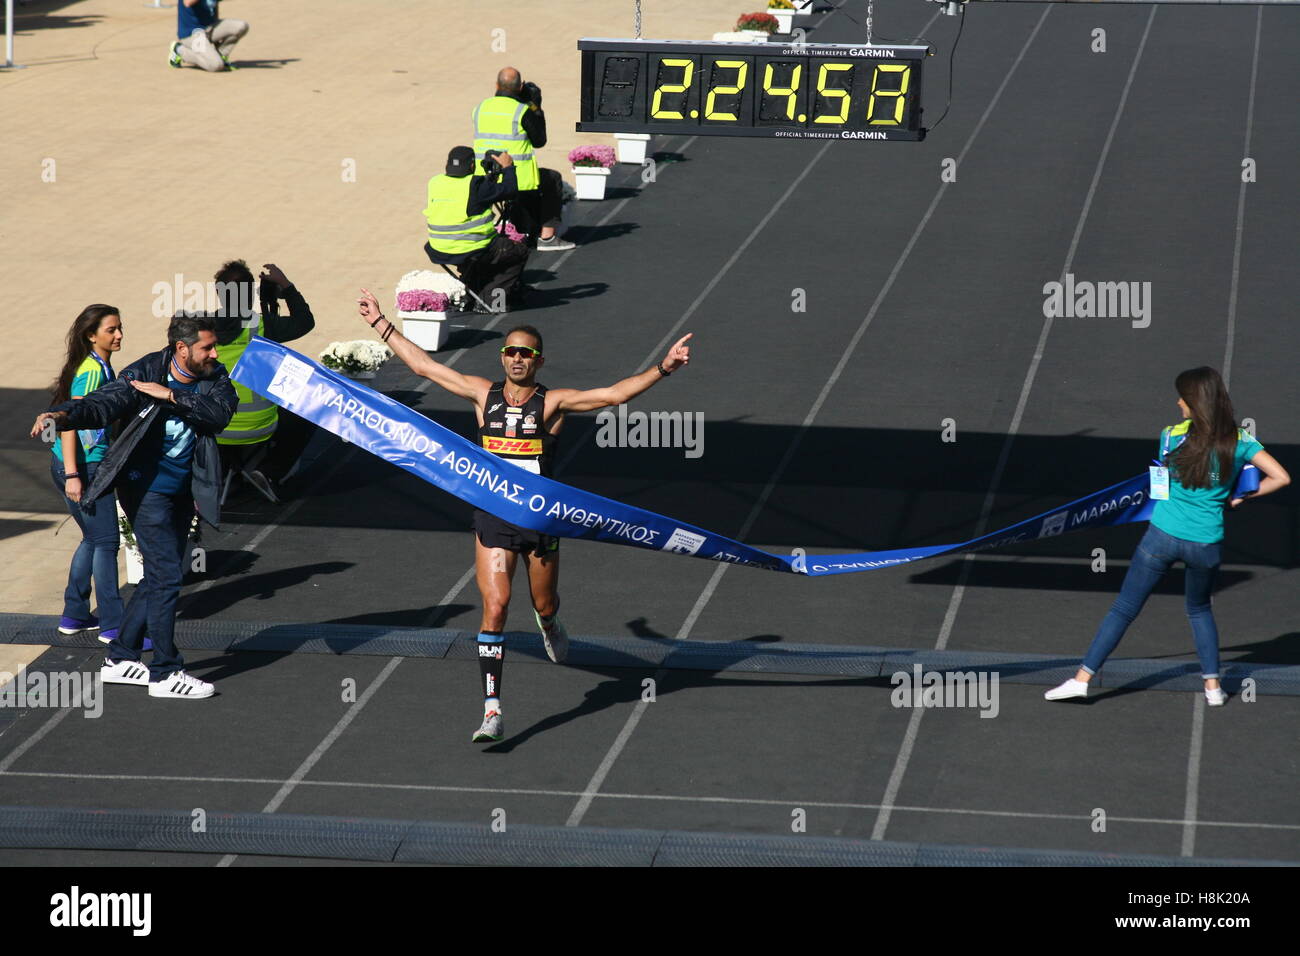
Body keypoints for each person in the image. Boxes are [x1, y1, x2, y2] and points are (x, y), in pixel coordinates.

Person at [355, 289, 692, 741]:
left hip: (540, 520)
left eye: (526, 354)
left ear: (538, 362)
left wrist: (664, 367)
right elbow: (425, 368)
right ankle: (491, 709)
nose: (517, 359)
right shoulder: (482, 395)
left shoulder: (552, 404)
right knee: (494, 608)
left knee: (543, 604)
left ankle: (550, 624)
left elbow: (612, 396)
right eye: (511, 351)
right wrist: (380, 323)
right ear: (503, 357)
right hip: (493, 519)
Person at [1045, 367, 1290, 706]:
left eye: (1182, 398)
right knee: (1199, 610)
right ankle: (1213, 689)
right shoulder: (1240, 440)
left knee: (1124, 609)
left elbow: (1159, 484)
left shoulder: (1171, 436)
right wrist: (1237, 497)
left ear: (1194, 403)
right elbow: (1281, 477)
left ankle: (1081, 679)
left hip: (1161, 537)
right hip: (1206, 542)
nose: (1178, 402)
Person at [31, 315, 238, 700]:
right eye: (207, 347)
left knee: (161, 575)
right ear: (181, 349)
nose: (215, 353)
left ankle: (122, 657)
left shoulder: (214, 375)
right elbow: (103, 403)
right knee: (167, 578)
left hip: (181, 490)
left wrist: (172, 396)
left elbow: (220, 416)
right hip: (146, 491)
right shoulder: (145, 370)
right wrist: (62, 415)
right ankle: (164, 672)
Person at [47, 305, 125, 645]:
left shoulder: (98, 365)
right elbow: (71, 421)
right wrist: (73, 474)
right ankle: (113, 626)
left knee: (93, 539)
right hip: (85, 467)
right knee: (107, 542)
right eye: (111, 330)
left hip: (79, 465)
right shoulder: (92, 370)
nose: (119, 334)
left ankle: (75, 613)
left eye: (120, 328)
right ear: (91, 335)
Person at [211, 259, 316, 497]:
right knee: (308, 413)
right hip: (261, 426)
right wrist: (285, 285)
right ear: (250, 295)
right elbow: (305, 322)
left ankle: (219, 470)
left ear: (219, 294)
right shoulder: (262, 325)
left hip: (215, 428)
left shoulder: (201, 329)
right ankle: (269, 471)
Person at [473, 67, 575, 252]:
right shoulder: (522, 111)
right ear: (520, 86)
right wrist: (536, 107)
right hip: (517, 179)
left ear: (496, 85)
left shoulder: (480, 108)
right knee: (552, 179)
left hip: (485, 179)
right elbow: (539, 141)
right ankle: (547, 237)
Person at [424, 145, 531, 314]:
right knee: (519, 252)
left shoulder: (435, 182)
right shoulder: (475, 185)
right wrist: (509, 168)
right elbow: (510, 190)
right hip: (470, 247)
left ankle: (469, 292)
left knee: (480, 257)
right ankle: (491, 301)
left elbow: (468, 197)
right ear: (473, 166)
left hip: (438, 248)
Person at [168, 0, 248, 72]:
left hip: (210, 27)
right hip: (192, 33)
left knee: (241, 26)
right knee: (216, 65)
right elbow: (187, 2)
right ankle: (179, 50)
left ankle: (220, 55)